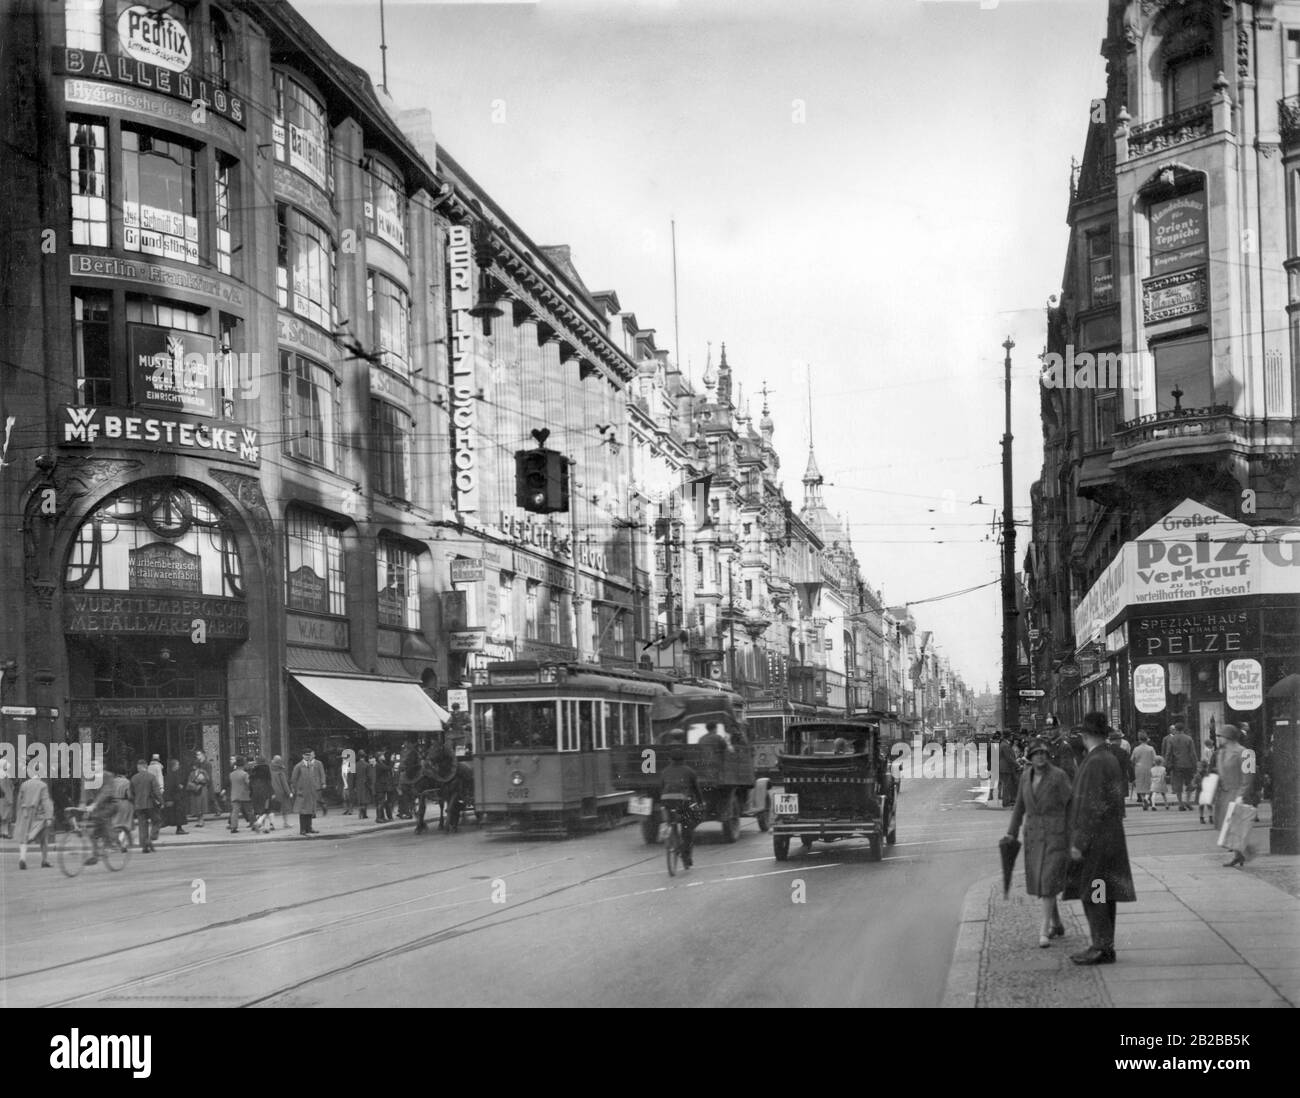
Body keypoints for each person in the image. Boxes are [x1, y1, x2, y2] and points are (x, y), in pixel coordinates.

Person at [1065, 712, 1136, 965]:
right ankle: (1105, 945)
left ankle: (1100, 946)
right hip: (1109, 836)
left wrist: (1078, 842)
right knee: (1103, 893)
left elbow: (1090, 805)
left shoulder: (1095, 761)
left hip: (1096, 839)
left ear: (1085, 735)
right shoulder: (1108, 757)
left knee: (1094, 893)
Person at [1005, 738, 1073, 947]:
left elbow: (1070, 805)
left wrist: (1073, 836)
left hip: (1055, 834)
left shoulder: (1059, 777)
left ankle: (1044, 929)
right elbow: (1019, 806)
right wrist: (1011, 832)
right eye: (1036, 754)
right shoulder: (1026, 776)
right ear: (1030, 757)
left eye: (1043, 753)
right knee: (1044, 881)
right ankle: (1057, 923)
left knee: (1048, 879)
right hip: (1033, 835)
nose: (1040, 757)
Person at [1214, 725, 1255, 868]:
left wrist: (1241, 795)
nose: (1217, 739)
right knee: (1226, 826)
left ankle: (1243, 852)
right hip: (1225, 793)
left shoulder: (1245, 752)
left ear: (1229, 737)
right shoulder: (1221, 753)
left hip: (1237, 792)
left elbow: (1248, 776)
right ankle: (1240, 854)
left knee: (1234, 825)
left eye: (1220, 736)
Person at [659, 749, 704, 869]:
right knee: (687, 827)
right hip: (682, 801)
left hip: (666, 801)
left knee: (670, 821)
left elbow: (662, 787)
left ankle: (671, 835)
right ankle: (686, 855)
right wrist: (700, 802)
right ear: (684, 759)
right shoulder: (690, 772)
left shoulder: (664, 771)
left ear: (670, 759)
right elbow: (696, 790)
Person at [15, 760, 55, 869]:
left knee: (24, 838)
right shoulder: (42, 785)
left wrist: (19, 813)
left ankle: (22, 858)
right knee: (44, 838)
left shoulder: (24, 784)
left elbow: (19, 800)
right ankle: (44, 860)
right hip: (38, 816)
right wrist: (49, 817)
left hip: (25, 814)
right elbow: (46, 802)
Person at [291, 749, 325, 835]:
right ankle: (302, 829)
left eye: (309, 755)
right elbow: (293, 780)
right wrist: (296, 789)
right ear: (303, 756)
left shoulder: (311, 766)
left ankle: (309, 827)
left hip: (311, 792)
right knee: (303, 811)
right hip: (302, 792)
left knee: (310, 810)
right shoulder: (298, 766)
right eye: (306, 755)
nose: (308, 756)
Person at [1164, 724, 1198, 811]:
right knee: (1189, 783)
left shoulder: (1172, 739)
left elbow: (1168, 753)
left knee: (1178, 785)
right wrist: (1195, 764)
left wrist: (1166, 764)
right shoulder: (1189, 739)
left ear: (1175, 729)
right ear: (1183, 729)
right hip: (1188, 764)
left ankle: (1180, 803)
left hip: (1176, 765)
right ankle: (1187, 801)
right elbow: (1193, 753)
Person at [129, 758, 159, 854]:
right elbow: (157, 792)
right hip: (150, 804)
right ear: (146, 766)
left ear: (139, 767)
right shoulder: (151, 777)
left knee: (142, 825)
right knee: (157, 820)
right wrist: (161, 802)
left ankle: (144, 846)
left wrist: (134, 802)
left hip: (138, 805)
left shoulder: (133, 778)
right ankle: (151, 838)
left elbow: (130, 794)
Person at [1131, 733, 1156, 810]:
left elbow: (1132, 759)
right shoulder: (1151, 748)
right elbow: (1154, 760)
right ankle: (1146, 798)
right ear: (1147, 740)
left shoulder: (1136, 749)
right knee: (1149, 784)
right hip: (1149, 768)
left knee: (1140, 785)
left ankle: (1143, 801)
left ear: (1139, 740)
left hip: (1139, 768)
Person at [163, 758, 188, 835]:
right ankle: (179, 829)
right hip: (177, 797)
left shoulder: (169, 775)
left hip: (174, 797)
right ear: (174, 766)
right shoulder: (174, 775)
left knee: (175, 814)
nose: (178, 766)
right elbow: (175, 786)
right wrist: (180, 786)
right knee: (178, 814)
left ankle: (179, 828)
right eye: (177, 764)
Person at [187, 751, 212, 827]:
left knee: (200, 806)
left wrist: (200, 781)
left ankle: (201, 821)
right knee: (196, 806)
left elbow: (207, 780)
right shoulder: (192, 773)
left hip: (201, 790)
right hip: (195, 790)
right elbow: (189, 781)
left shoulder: (203, 772)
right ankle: (199, 820)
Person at [270, 755, 293, 830]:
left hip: (272, 792)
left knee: (272, 809)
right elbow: (284, 784)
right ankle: (285, 823)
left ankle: (272, 825)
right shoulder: (280, 772)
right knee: (284, 809)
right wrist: (289, 793)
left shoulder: (270, 770)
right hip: (281, 793)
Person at [249, 756, 273, 830]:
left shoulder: (254, 769)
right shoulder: (267, 769)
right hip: (265, 791)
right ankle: (261, 823)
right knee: (266, 809)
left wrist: (251, 792)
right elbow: (269, 781)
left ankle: (261, 825)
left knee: (257, 809)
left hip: (255, 792)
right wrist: (271, 792)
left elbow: (250, 782)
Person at [374, 751, 395, 821]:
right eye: (382, 755)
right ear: (379, 757)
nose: (384, 756)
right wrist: (392, 760)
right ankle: (379, 818)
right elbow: (388, 768)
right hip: (380, 786)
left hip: (382, 786)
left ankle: (382, 817)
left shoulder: (381, 763)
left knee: (382, 802)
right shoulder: (379, 765)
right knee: (380, 802)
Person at [355, 751, 374, 819]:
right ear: (364, 756)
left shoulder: (355, 765)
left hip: (358, 784)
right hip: (365, 784)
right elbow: (370, 776)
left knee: (360, 798)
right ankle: (364, 813)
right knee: (365, 798)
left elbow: (353, 776)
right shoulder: (367, 765)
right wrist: (371, 784)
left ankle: (361, 810)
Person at [0, 756, 15, 841]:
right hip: (5, 799)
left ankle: (2, 832)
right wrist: (10, 800)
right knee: (5, 817)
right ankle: (5, 833)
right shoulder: (5, 776)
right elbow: (8, 789)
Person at [341, 750, 355, 815]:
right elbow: (341, 775)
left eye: (345, 758)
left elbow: (353, 776)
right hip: (344, 784)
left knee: (350, 798)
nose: (344, 759)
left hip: (349, 784)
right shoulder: (342, 766)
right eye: (343, 758)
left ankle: (350, 810)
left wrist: (353, 785)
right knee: (344, 798)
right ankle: (346, 809)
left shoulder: (351, 765)